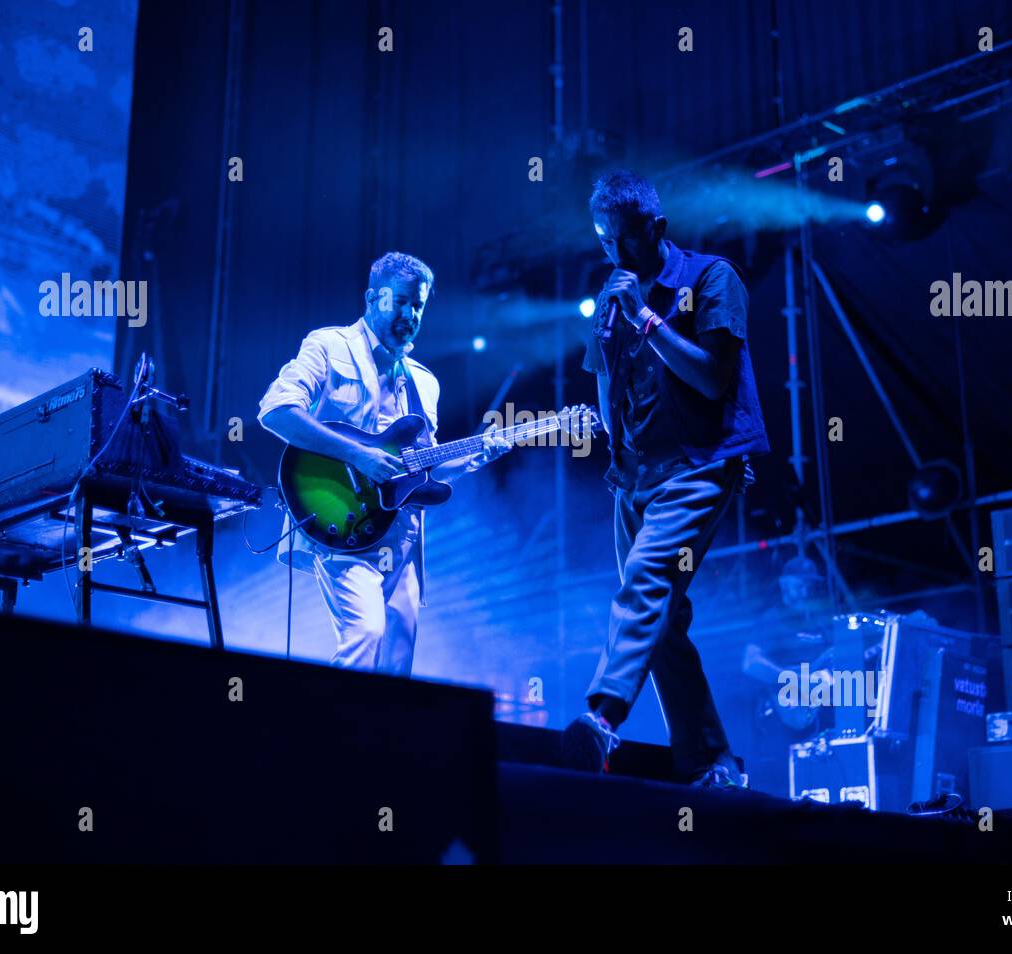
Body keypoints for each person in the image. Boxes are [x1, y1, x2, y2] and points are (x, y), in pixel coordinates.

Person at [563, 170, 770, 790]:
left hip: (701, 465)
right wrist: (609, 354)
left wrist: (648, 321)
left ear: (656, 229)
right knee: (661, 620)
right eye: (603, 241)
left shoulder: (711, 278)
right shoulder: (611, 296)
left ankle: (601, 717)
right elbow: (604, 390)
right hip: (635, 479)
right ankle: (711, 763)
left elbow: (713, 379)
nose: (613, 253)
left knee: (647, 581)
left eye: (624, 239)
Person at [258, 251, 510, 675]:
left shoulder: (424, 382)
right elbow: (276, 410)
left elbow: (425, 470)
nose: (411, 314)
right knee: (365, 634)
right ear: (373, 297)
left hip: (403, 538)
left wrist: (475, 456)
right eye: (402, 301)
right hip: (342, 525)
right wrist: (358, 455)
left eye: (419, 305)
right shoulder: (328, 345)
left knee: (397, 667)